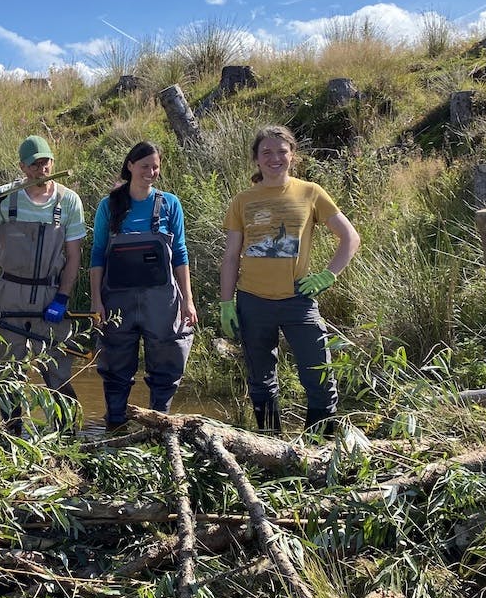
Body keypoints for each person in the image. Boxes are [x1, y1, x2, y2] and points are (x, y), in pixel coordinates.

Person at [219, 125, 360, 435]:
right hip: (252, 301)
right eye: (266, 152)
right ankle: (272, 447)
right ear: (256, 159)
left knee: (319, 377)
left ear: (293, 156)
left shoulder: (310, 192)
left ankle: (317, 449)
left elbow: (350, 237)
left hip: (299, 300)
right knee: (261, 382)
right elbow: (230, 256)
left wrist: (328, 274)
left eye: (282, 152)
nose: (274, 158)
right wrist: (227, 302)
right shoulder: (242, 201)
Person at [0, 135, 86, 412]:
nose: (42, 168)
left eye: (46, 162)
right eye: (35, 164)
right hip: (10, 293)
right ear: (23, 167)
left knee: (56, 368)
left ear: (53, 162)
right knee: (9, 371)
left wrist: (62, 298)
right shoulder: (6, 199)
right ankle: (11, 432)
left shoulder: (68, 201)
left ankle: (67, 432)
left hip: (49, 293)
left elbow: (74, 256)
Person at [89, 141, 197, 430]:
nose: (150, 172)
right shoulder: (109, 205)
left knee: (166, 363)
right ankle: (114, 429)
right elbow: (97, 254)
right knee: (115, 366)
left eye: (155, 166)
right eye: (144, 166)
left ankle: (158, 429)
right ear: (130, 166)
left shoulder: (170, 203)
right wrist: (96, 300)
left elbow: (181, 254)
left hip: (160, 300)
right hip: (117, 300)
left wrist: (188, 300)